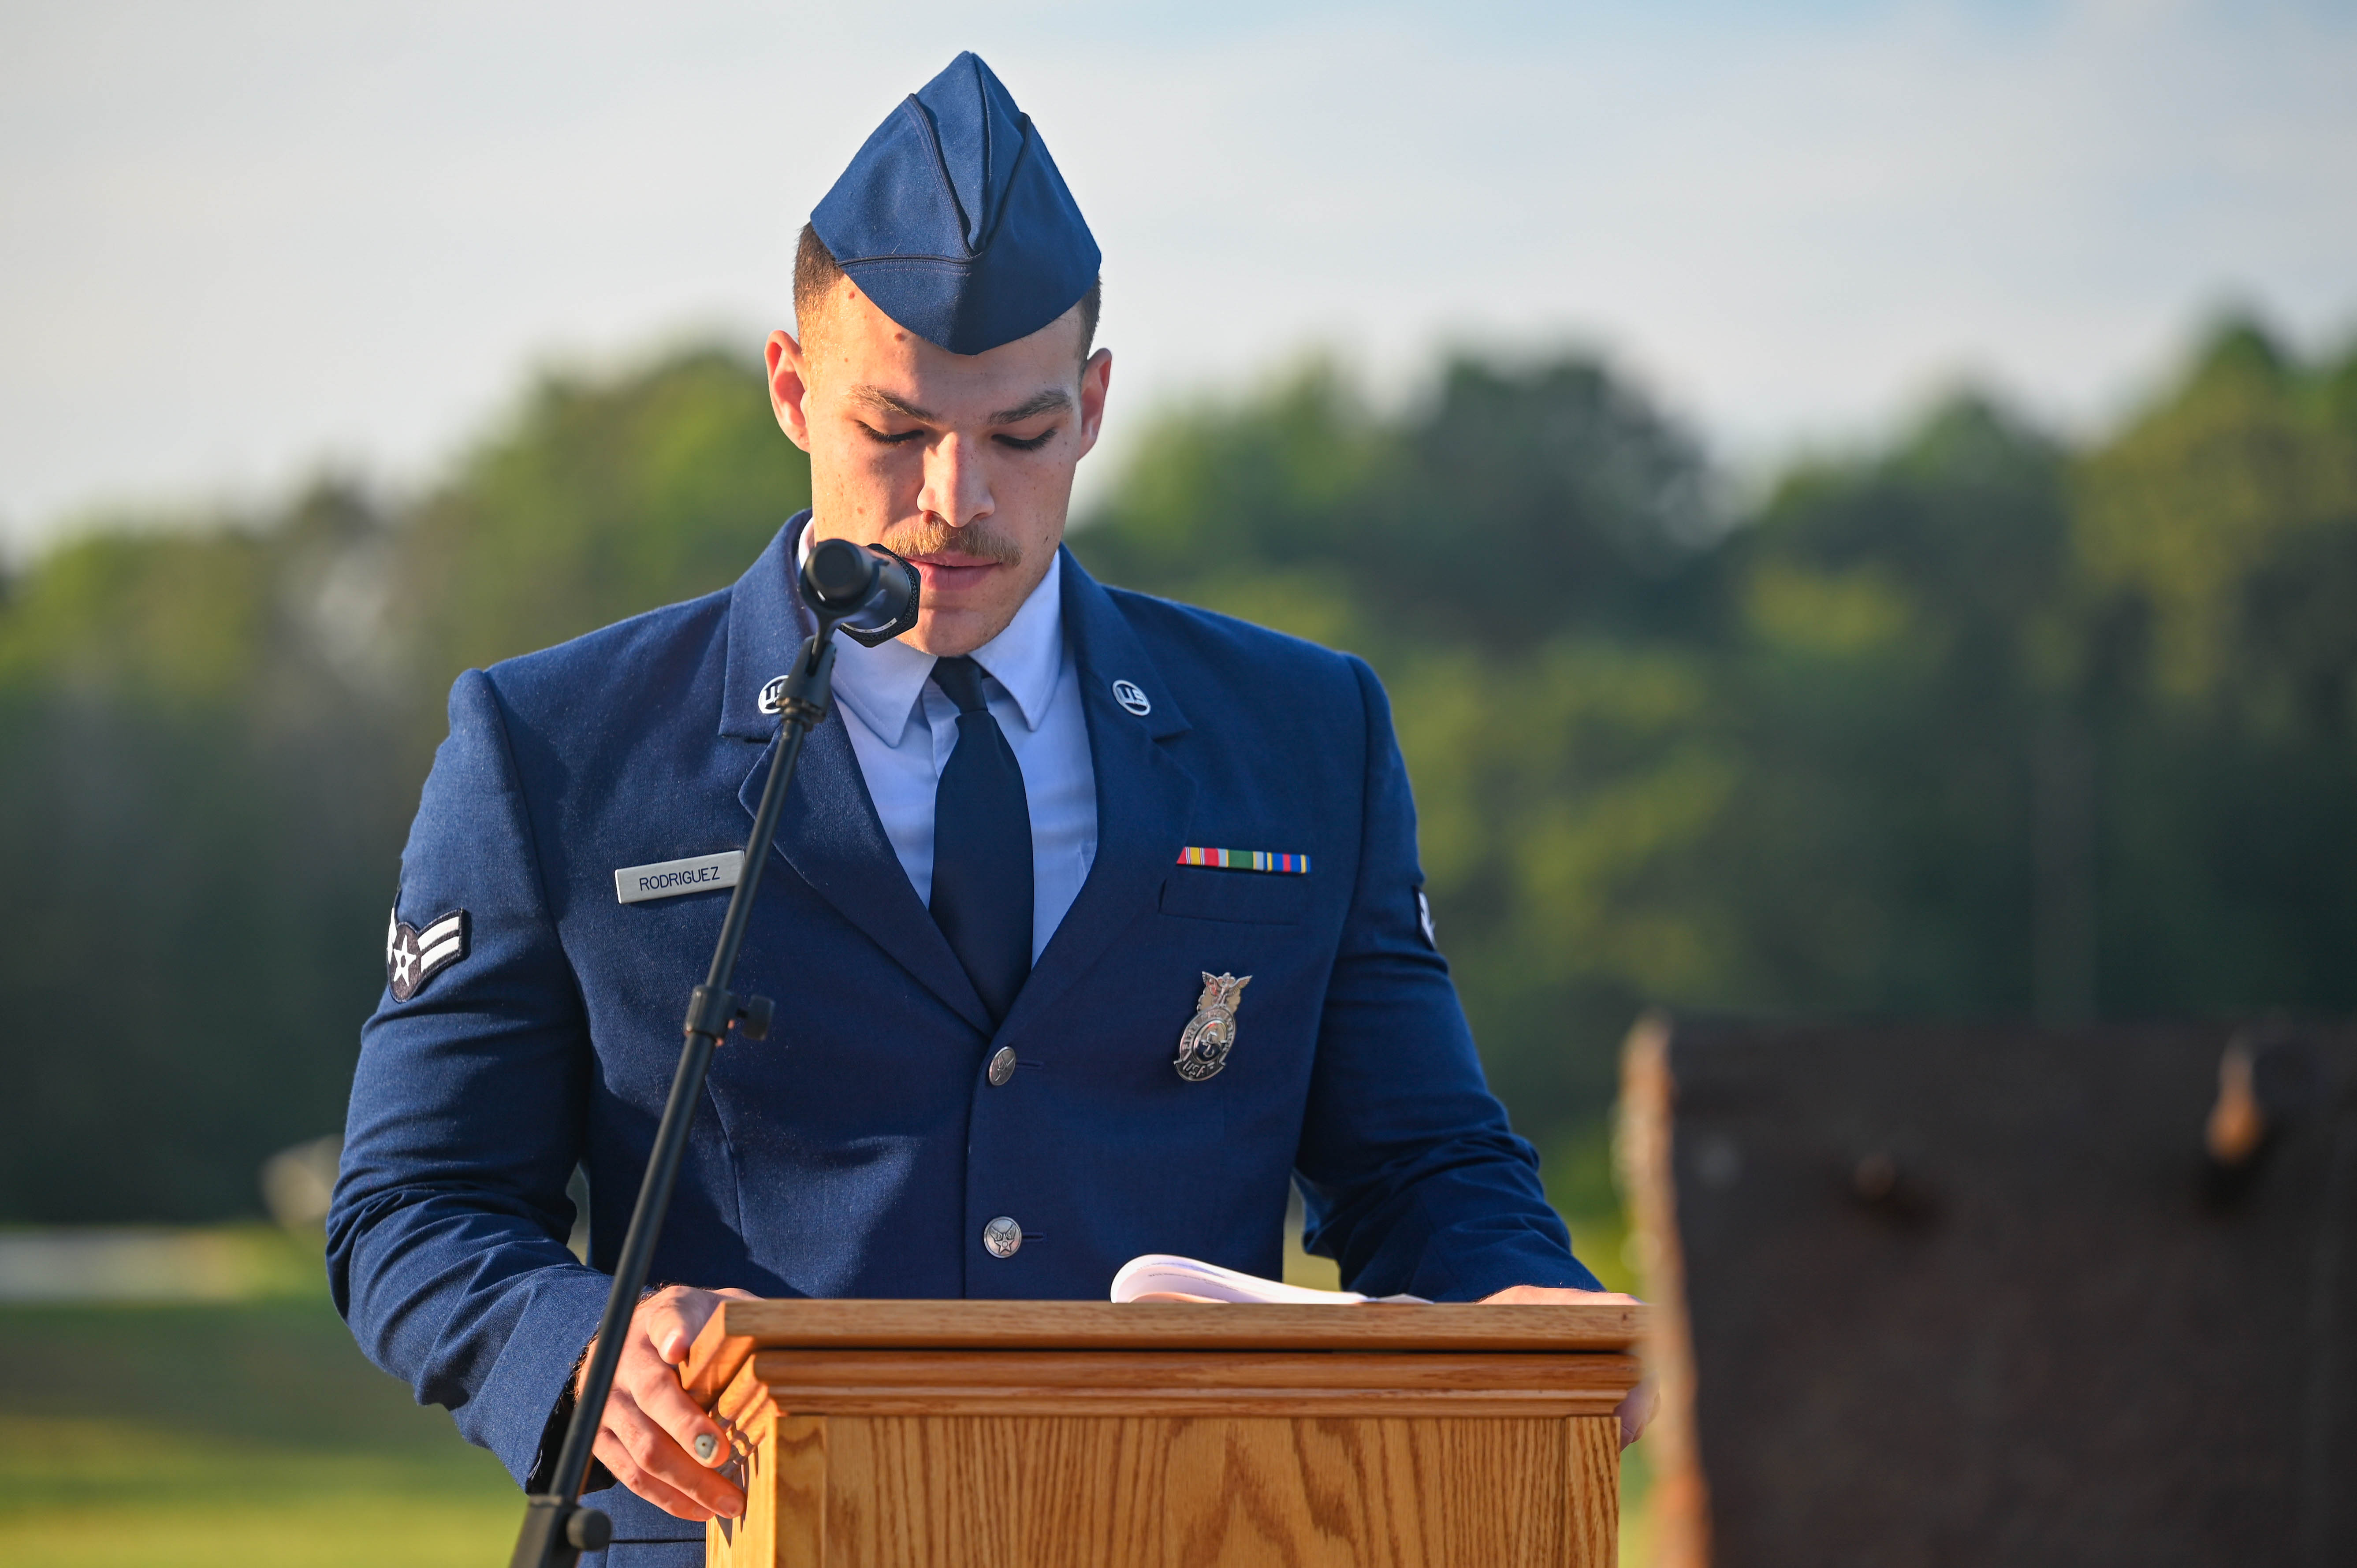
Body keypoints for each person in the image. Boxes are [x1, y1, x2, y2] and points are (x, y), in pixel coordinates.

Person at [330, 51, 1645, 1565]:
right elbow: (412, 1208)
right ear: (791, 389)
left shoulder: (1301, 733)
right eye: (895, 431)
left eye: (1021, 435)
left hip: (1190, 1535)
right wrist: (578, 1344)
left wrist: (1528, 1306)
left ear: (1093, 405)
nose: (957, 498)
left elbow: (1419, 1165)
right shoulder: (557, 746)